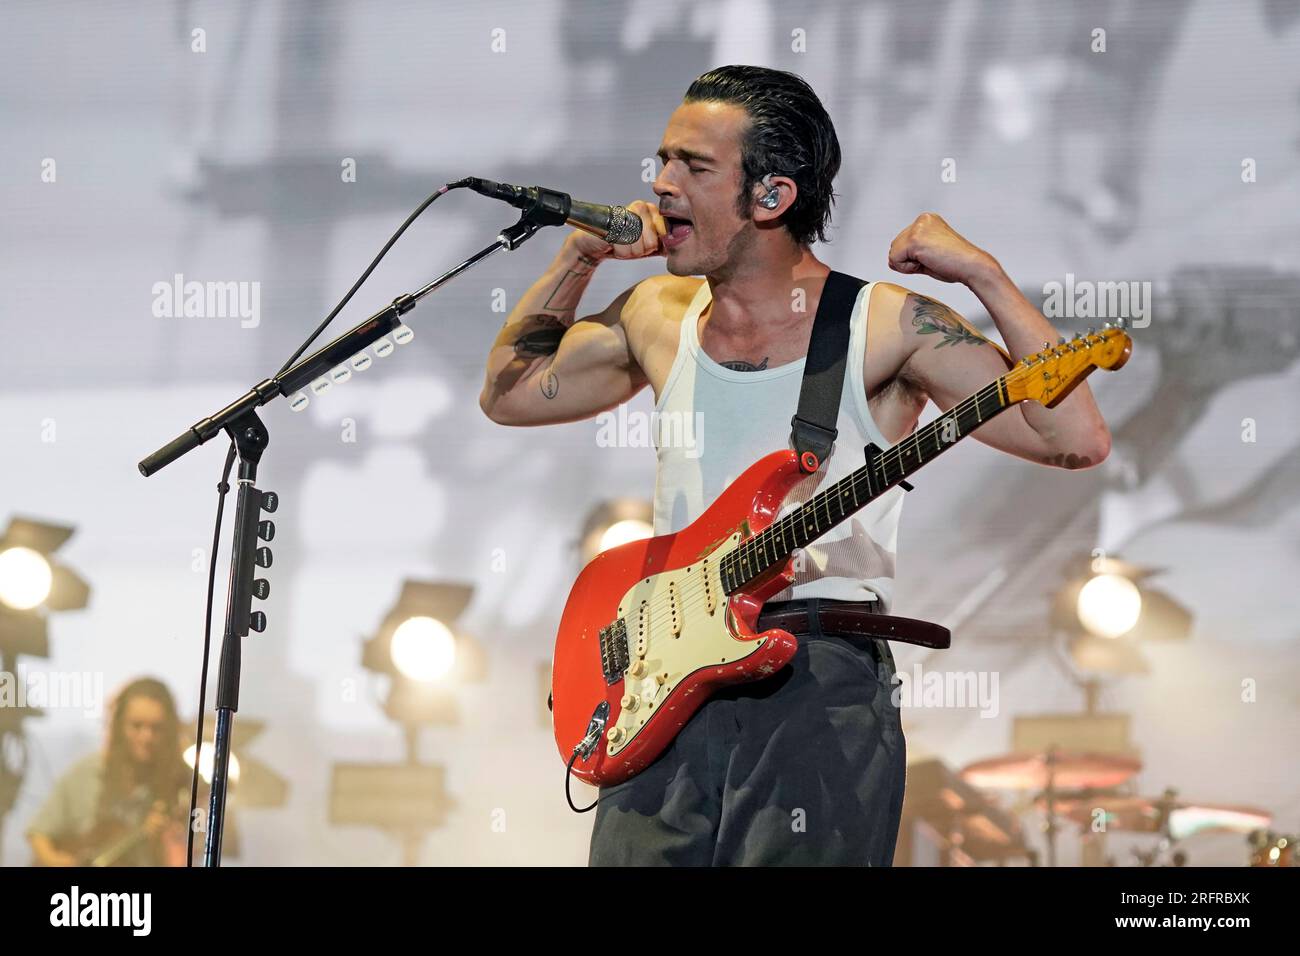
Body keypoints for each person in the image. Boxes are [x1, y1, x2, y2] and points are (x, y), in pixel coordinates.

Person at [480, 65, 1110, 865]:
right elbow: (510, 394)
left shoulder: (887, 324)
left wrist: (984, 276)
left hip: (816, 681)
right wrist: (577, 259)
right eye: (663, 160)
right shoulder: (658, 313)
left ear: (772, 196)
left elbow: (1074, 438)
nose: (661, 186)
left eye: (693, 168)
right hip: (659, 680)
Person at [27, 677, 190, 867]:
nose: (147, 737)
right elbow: (38, 833)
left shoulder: (178, 784)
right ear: (119, 726)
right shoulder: (87, 772)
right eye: (137, 726)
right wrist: (57, 861)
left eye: (156, 728)